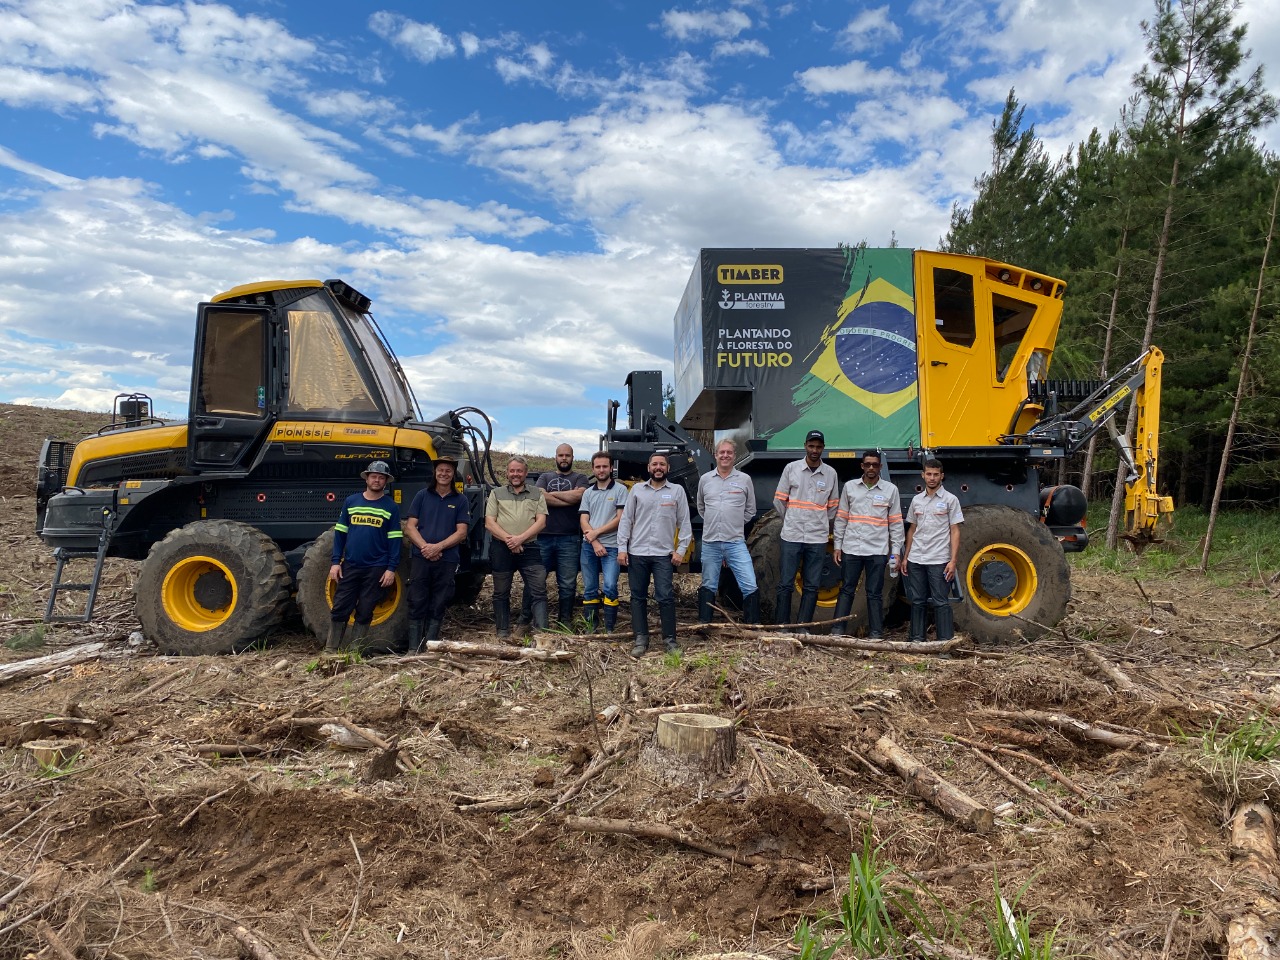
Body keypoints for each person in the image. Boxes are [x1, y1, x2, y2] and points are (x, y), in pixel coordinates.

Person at [617, 452, 692, 657]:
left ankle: (670, 641)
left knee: (666, 597)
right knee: (637, 597)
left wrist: (681, 551)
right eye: (654, 464)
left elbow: (684, 523)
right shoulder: (637, 491)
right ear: (648, 468)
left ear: (668, 468)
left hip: (663, 555)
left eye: (662, 464)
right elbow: (626, 521)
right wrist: (622, 548)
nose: (658, 467)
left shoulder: (677, 491)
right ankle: (641, 639)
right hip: (637, 553)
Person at [327, 460, 403, 652]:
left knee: (365, 610)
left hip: (377, 568)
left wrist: (391, 569)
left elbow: (395, 540)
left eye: (381, 478)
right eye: (374, 476)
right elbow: (340, 533)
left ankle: (354, 652)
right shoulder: (351, 502)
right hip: (351, 565)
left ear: (386, 482)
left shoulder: (390, 507)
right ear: (367, 478)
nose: (377, 480)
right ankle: (330, 649)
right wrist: (336, 562)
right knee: (340, 607)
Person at [832, 450, 904, 639]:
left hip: (877, 550)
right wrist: (837, 546)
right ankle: (838, 630)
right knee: (847, 589)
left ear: (880, 467)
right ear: (862, 466)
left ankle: (875, 633)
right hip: (851, 548)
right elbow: (841, 519)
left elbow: (896, 524)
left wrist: (895, 552)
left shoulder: (891, 491)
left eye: (875, 464)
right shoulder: (849, 488)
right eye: (867, 464)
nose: (871, 468)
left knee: (874, 593)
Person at [403, 454, 470, 653]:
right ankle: (413, 649)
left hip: (447, 559)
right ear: (435, 472)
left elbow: (462, 532)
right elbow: (410, 527)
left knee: (439, 602)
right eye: (440, 470)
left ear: (453, 474)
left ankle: (430, 647)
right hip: (421, 558)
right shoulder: (422, 496)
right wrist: (426, 547)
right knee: (416, 600)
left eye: (448, 470)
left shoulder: (460, 500)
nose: (444, 473)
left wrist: (438, 547)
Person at [773, 429, 838, 629]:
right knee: (785, 583)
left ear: (823, 449)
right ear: (805, 446)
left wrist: (818, 523)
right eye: (811, 446)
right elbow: (779, 501)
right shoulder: (791, 469)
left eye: (818, 447)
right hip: (791, 535)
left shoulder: (830, 474)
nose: (814, 450)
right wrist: (792, 519)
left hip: (817, 539)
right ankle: (782, 626)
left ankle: (803, 628)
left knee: (811, 586)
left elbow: (833, 506)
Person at [522, 443, 589, 627]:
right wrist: (568, 498)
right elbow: (540, 496)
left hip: (569, 539)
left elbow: (579, 497)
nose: (564, 458)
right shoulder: (545, 477)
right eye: (561, 455)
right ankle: (525, 619)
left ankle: (564, 622)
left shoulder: (580, 477)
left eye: (567, 455)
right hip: (543, 537)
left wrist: (553, 495)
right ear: (556, 457)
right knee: (535, 582)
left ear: (573, 457)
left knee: (567, 584)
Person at [696, 438, 759, 626]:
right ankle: (705, 624)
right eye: (721, 452)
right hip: (711, 543)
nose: (725, 456)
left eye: (729, 453)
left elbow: (751, 510)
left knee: (749, 583)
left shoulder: (744, 480)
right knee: (708, 584)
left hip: (735, 542)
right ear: (716, 455)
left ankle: (753, 625)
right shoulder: (705, 480)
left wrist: (735, 524)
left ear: (734, 456)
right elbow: (701, 507)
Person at [900, 458, 964, 643]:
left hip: (939, 560)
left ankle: (944, 643)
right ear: (923, 475)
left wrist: (952, 561)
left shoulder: (951, 500)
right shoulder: (917, 500)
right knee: (918, 600)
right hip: (916, 558)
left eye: (936, 474)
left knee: (940, 601)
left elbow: (955, 530)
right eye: (929, 474)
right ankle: (917, 641)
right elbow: (912, 529)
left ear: (942, 476)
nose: (932, 478)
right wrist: (906, 557)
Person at [485, 457, 548, 638]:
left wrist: (520, 539)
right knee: (501, 592)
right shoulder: (496, 494)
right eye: (512, 471)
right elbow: (489, 523)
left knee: (538, 590)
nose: (515, 474)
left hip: (530, 548)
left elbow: (541, 522)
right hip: (501, 549)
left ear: (526, 473)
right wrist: (509, 540)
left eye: (519, 471)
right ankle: (503, 631)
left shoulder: (536, 493)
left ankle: (542, 633)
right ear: (507, 473)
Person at [579, 451, 628, 634]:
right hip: (589, 547)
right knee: (590, 587)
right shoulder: (588, 493)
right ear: (593, 469)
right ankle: (591, 627)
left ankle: (609, 628)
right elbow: (584, 519)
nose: (601, 470)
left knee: (609, 585)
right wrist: (594, 542)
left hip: (612, 547)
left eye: (604, 466)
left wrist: (596, 534)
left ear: (611, 468)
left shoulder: (621, 490)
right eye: (598, 467)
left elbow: (620, 519)